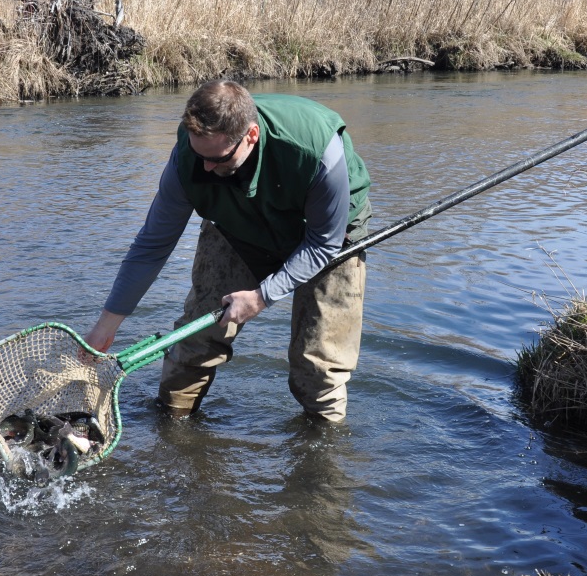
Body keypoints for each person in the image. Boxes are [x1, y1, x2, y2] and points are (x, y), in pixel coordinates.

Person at [83, 79, 372, 422]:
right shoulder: (190, 159)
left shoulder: (316, 149)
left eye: (216, 158)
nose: (205, 167)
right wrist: (106, 326)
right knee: (192, 345)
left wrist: (261, 296)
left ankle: (321, 461)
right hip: (239, 227)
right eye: (198, 155)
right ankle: (174, 433)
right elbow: (152, 245)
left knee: (317, 367)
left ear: (250, 136)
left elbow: (322, 242)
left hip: (329, 237)